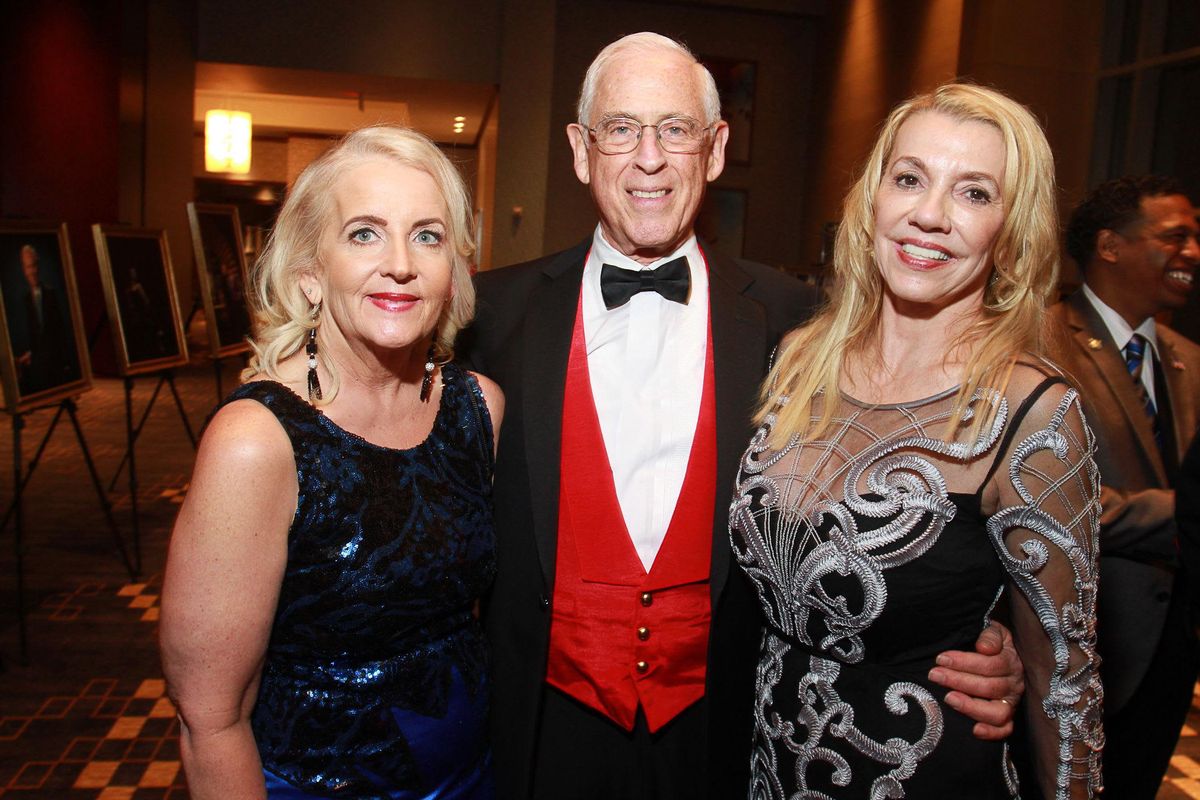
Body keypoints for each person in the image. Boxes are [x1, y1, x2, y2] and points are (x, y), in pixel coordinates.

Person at [460, 33, 1024, 799]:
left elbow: (909, 494)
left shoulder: (804, 325)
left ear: (716, 148)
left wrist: (987, 637)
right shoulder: (487, 316)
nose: (649, 159)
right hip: (541, 725)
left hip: (733, 725)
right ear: (582, 151)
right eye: (621, 129)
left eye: (676, 130)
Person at [730, 84, 1104, 798]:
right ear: (873, 198)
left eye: (973, 193)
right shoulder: (797, 359)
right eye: (909, 179)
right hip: (768, 771)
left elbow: (1068, 684)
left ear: (1012, 229)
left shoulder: (1033, 412)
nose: (928, 215)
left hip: (928, 776)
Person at [160, 125, 504, 799]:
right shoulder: (258, 442)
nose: (400, 262)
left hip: (470, 780)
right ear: (309, 275)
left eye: (427, 235)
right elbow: (211, 720)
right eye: (365, 233)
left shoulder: (478, 410)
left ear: (453, 269)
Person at [1050, 175, 1200, 799]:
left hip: (1173, 650)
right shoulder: (1041, 343)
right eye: (1176, 237)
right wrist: (1184, 515)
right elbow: (1052, 500)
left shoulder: (1188, 357)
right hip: (1083, 644)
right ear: (1110, 246)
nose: (1193, 252)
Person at [15, 243, 77, 395]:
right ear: (24, 270)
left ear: (39, 266)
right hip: (37, 364)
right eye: (29, 267)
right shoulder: (24, 300)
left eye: (35, 265)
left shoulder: (51, 294)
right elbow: (29, 335)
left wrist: (66, 363)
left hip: (55, 362)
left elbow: (61, 330)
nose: (33, 271)